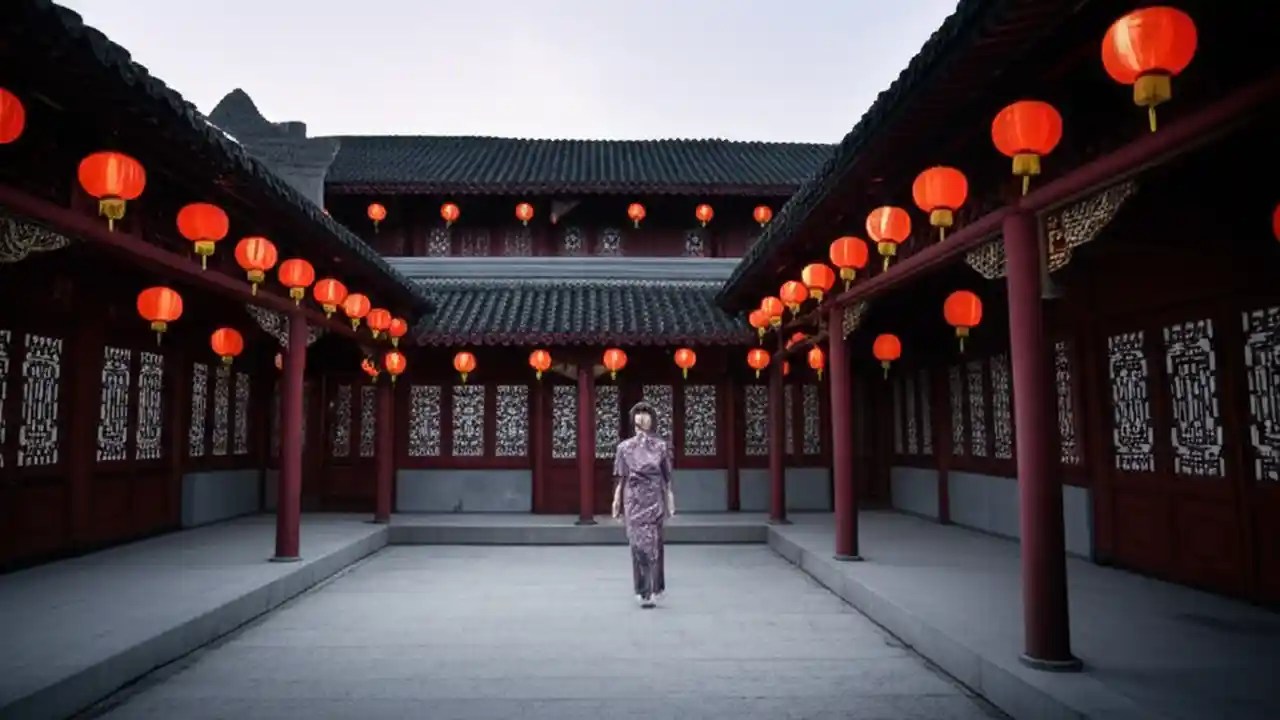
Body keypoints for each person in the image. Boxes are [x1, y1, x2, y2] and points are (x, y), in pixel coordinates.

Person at [611, 401, 676, 608]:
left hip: (654, 497)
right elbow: (621, 477)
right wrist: (617, 499)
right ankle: (641, 588)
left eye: (646, 414)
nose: (642, 417)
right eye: (638, 413)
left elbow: (667, 478)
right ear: (633, 419)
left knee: (654, 544)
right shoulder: (624, 448)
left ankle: (654, 589)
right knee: (637, 544)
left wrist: (670, 499)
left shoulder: (661, 447)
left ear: (652, 419)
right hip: (633, 499)